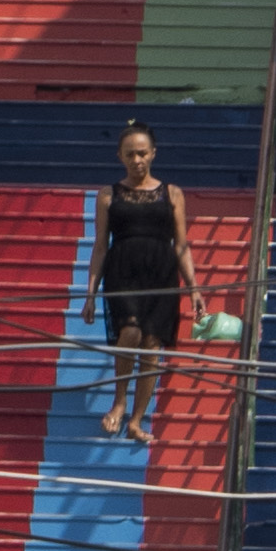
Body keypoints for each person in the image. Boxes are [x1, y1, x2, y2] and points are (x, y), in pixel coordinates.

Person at [93, 122, 196, 440]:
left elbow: (181, 245)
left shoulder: (173, 193)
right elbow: (100, 246)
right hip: (122, 271)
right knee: (130, 332)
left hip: (161, 274)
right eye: (130, 154)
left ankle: (137, 420)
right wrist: (90, 293)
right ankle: (119, 401)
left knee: (151, 346)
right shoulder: (108, 195)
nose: (136, 160)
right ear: (120, 157)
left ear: (153, 153)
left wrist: (193, 289)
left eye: (142, 153)